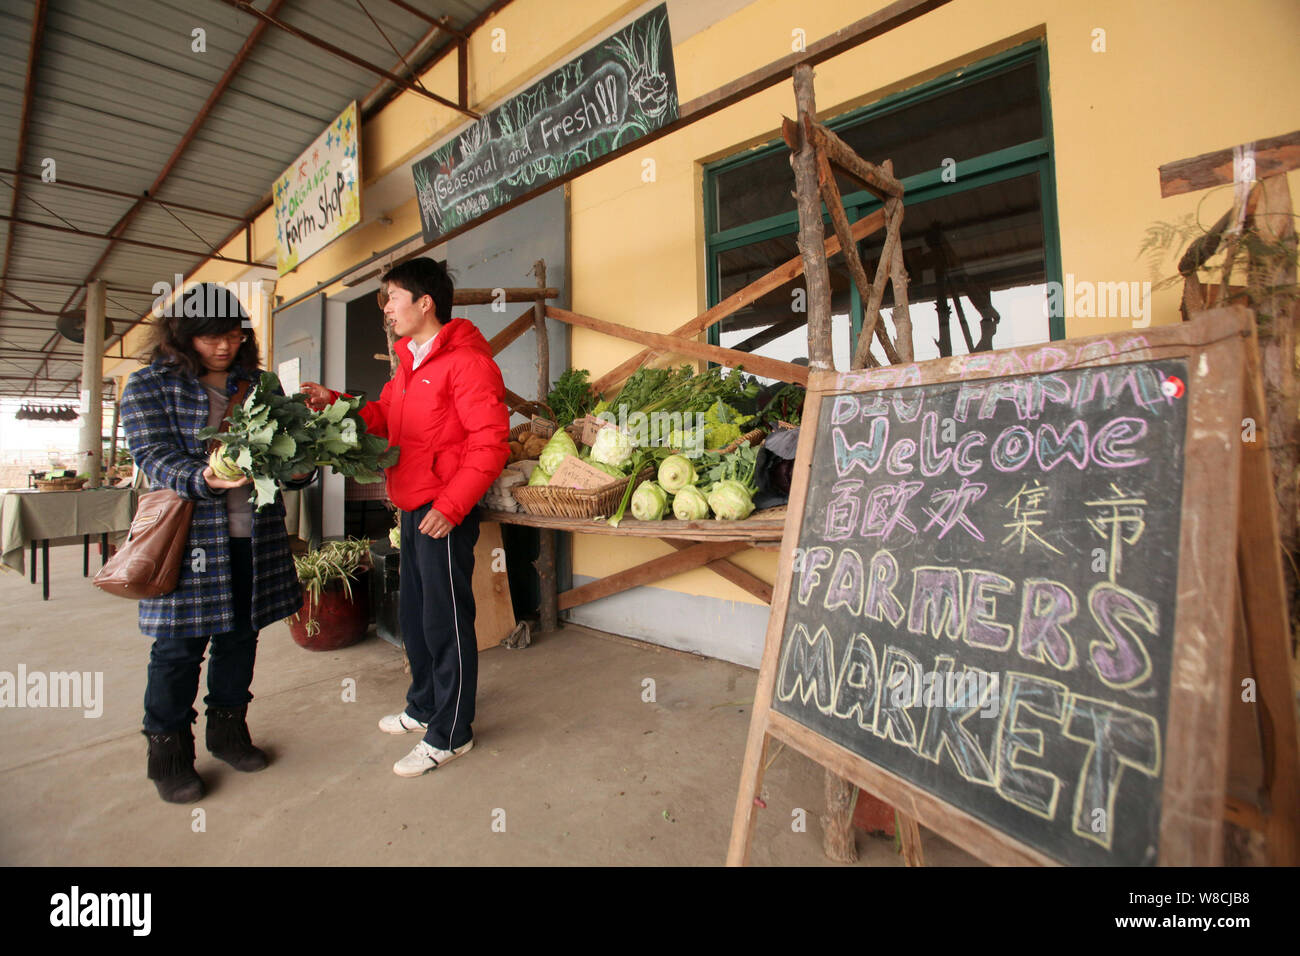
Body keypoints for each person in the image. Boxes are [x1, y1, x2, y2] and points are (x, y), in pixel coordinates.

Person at [301, 257, 509, 778]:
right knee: (416, 614)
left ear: (424, 302)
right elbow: (381, 417)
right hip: (412, 506)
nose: (387, 308)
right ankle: (422, 706)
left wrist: (451, 505)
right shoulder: (410, 363)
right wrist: (336, 402)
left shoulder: (468, 363)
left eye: (392, 297)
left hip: (442, 511)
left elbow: (490, 443)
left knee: (447, 621)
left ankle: (452, 732)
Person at [120, 283, 315, 803]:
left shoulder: (260, 385)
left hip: (253, 536)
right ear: (184, 336)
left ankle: (228, 733)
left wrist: (300, 467)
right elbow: (150, 453)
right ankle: (168, 754)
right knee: (178, 650)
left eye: (232, 336)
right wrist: (201, 476)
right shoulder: (149, 386)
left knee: (240, 637)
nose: (223, 347)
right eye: (210, 338)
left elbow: (287, 453)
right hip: (187, 543)